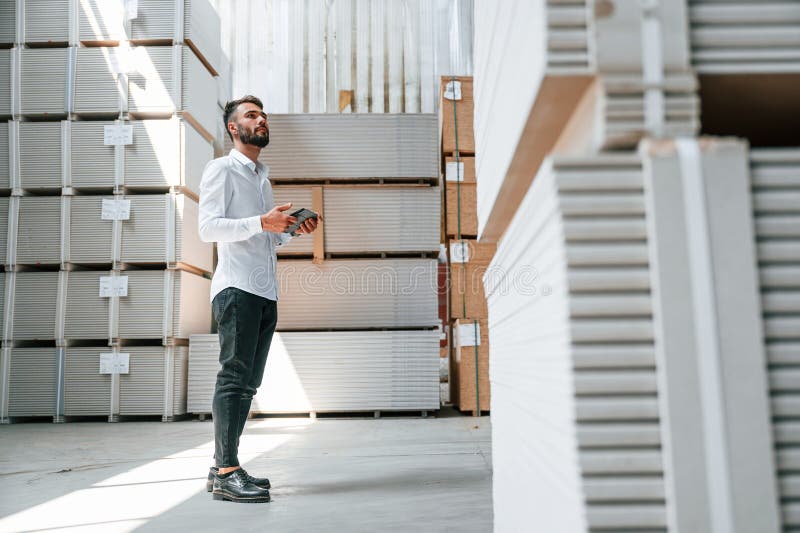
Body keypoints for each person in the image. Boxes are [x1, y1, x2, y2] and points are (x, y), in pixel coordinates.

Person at [198, 95, 319, 503]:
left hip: (264, 290)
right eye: (252, 115)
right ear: (234, 128)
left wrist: (289, 230)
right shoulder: (222, 169)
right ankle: (227, 473)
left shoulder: (261, 178)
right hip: (236, 288)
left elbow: (262, 236)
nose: (261, 119)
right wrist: (263, 221)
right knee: (234, 378)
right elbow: (208, 228)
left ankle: (221, 466)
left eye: (263, 114)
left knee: (248, 384)